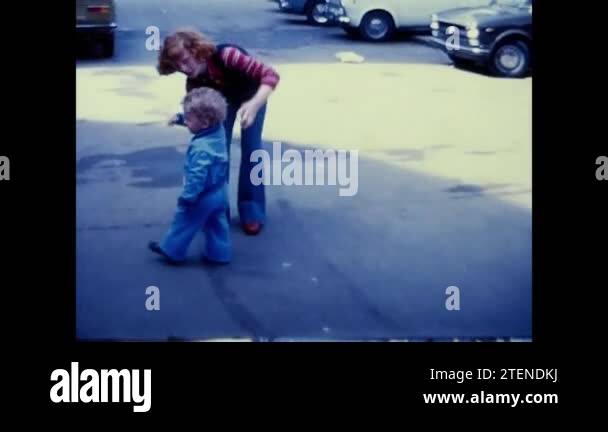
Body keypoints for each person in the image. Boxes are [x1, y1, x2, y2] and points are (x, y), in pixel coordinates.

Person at [157, 29, 281, 236]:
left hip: (253, 95)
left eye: (185, 60)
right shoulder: (194, 82)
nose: (183, 68)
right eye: (177, 66)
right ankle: (219, 210)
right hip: (223, 102)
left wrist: (254, 104)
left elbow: (270, 75)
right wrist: (181, 118)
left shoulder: (227, 55)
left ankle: (252, 212)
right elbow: (200, 115)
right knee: (216, 153)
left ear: (197, 50)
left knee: (252, 151)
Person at [148, 87, 231, 265]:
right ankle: (219, 254)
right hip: (220, 190)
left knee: (184, 221)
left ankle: (172, 250)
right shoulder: (218, 131)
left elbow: (196, 176)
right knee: (216, 224)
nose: (186, 120)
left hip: (203, 195)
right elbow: (199, 122)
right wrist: (180, 119)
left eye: (188, 118)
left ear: (205, 123)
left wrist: (188, 197)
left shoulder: (201, 149)